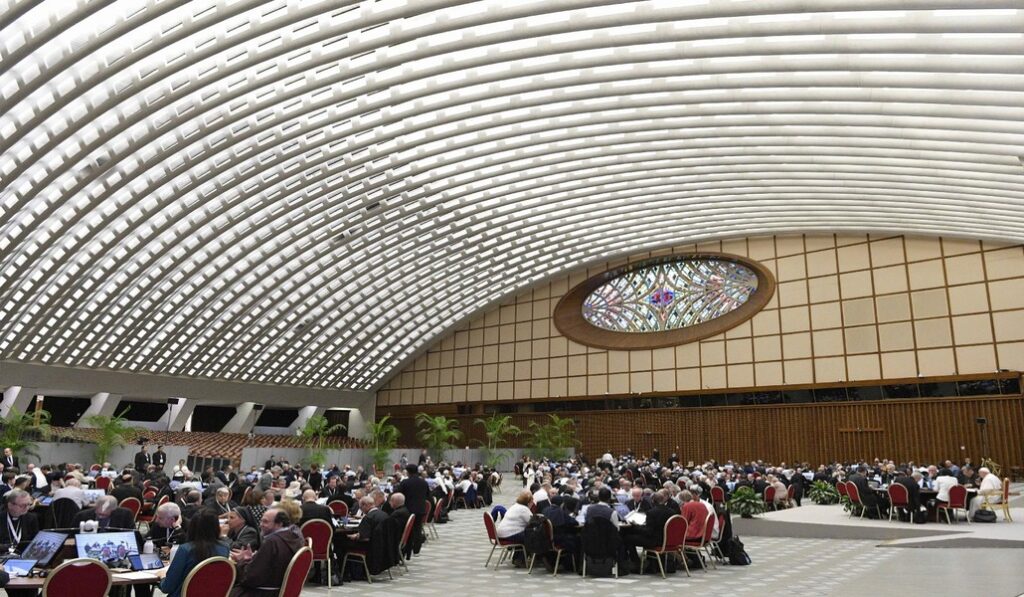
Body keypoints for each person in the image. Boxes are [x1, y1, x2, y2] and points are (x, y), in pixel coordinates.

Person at [230, 508, 305, 597]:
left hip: (263, 592)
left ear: (279, 524)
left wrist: (242, 561)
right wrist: (253, 558)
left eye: (265, 522)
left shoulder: (272, 542)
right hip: (279, 589)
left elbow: (251, 578)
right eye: (261, 521)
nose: (261, 525)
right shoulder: (293, 537)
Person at [156, 510, 230, 597]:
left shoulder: (185, 550)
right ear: (217, 527)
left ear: (192, 527)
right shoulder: (225, 548)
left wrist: (163, 577)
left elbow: (167, 587)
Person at [397, 464, 430, 554]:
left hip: (408, 509)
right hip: (420, 509)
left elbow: (398, 494)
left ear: (407, 472)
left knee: (406, 529)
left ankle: (406, 549)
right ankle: (416, 549)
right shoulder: (424, 482)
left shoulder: (405, 482)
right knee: (417, 529)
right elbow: (428, 495)